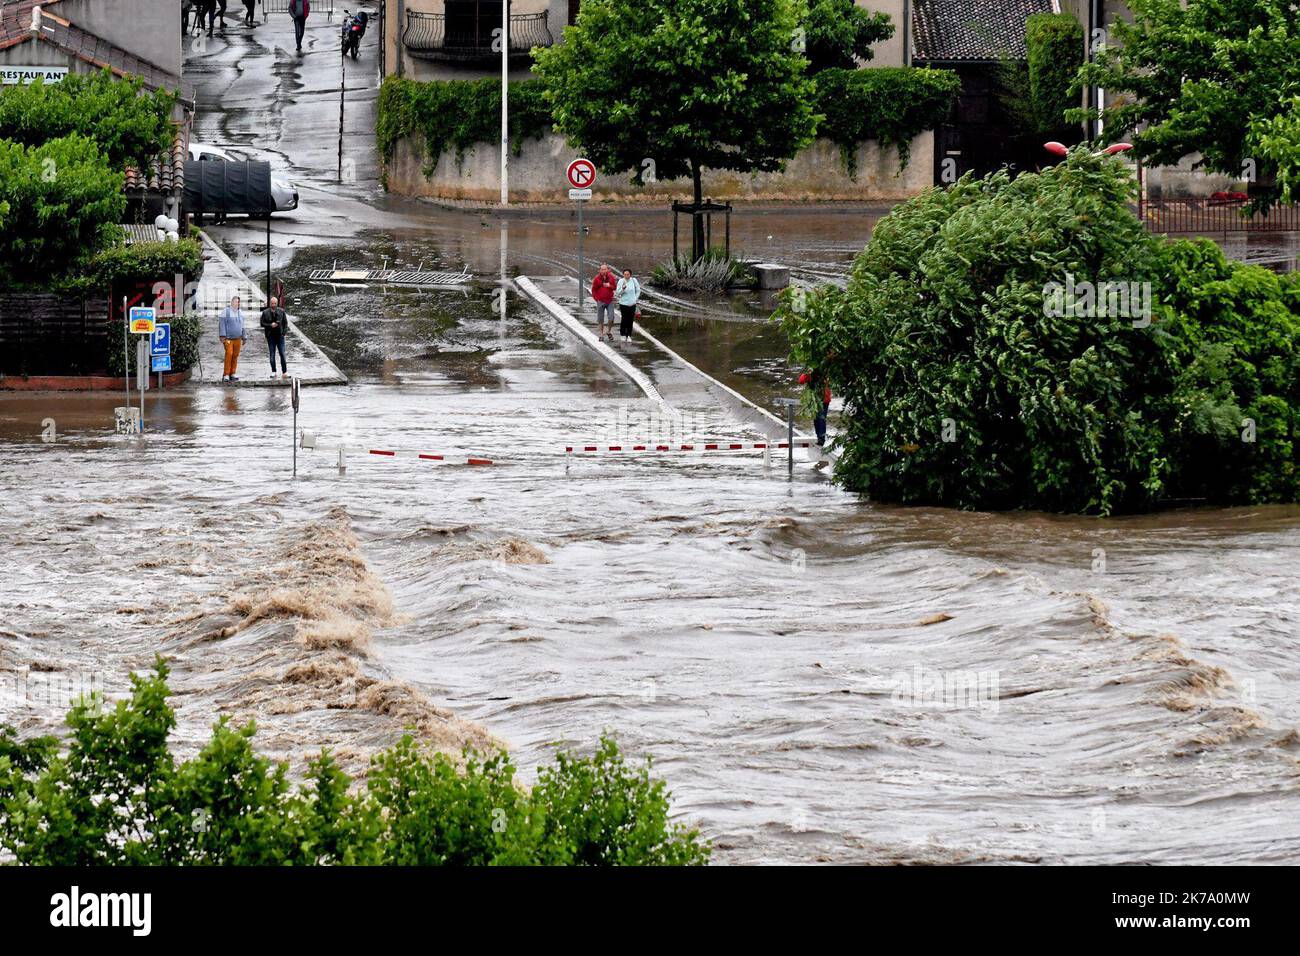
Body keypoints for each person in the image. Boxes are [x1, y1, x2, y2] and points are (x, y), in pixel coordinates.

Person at [799, 368, 832, 446]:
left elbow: (828, 382)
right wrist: (808, 373)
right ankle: (819, 437)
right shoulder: (810, 373)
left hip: (824, 399)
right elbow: (801, 381)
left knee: (821, 418)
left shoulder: (825, 371)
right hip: (814, 400)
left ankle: (821, 438)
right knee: (816, 419)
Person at [260, 296, 290, 379]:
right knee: (272, 354)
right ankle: (274, 371)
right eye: (272, 303)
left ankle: (285, 372)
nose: (273, 305)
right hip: (270, 336)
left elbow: (285, 323)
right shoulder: (265, 312)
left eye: (275, 303)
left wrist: (284, 333)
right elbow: (262, 323)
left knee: (282, 354)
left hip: (280, 336)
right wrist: (270, 325)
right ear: (270, 303)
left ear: (277, 303)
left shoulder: (281, 311)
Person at [219, 295, 247, 382]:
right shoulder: (226, 311)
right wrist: (222, 335)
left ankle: (232, 373)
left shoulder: (240, 312)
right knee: (229, 354)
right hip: (228, 338)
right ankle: (226, 374)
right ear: (231, 302)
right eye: (235, 301)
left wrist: (244, 337)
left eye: (238, 302)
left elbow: (243, 326)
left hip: (238, 338)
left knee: (235, 355)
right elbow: (221, 323)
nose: (237, 303)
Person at [591, 263, 618, 342]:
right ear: (600, 270)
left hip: (609, 301)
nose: (603, 271)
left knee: (611, 317)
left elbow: (614, 287)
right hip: (600, 301)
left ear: (608, 270)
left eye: (605, 269)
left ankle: (609, 331)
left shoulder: (611, 277)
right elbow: (594, 290)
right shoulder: (597, 278)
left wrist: (609, 286)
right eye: (602, 269)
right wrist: (596, 299)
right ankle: (601, 334)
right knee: (600, 319)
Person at [613, 268, 641, 342]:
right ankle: (623, 334)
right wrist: (622, 289)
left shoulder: (634, 280)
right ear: (623, 275)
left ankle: (629, 335)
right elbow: (617, 293)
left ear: (630, 275)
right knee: (624, 319)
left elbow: (638, 290)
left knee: (630, 320)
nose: (626, 276)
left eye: (628, 274)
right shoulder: (621, 281)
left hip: (632, 303)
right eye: (625, 274)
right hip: (623, 303)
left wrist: (635, 298)